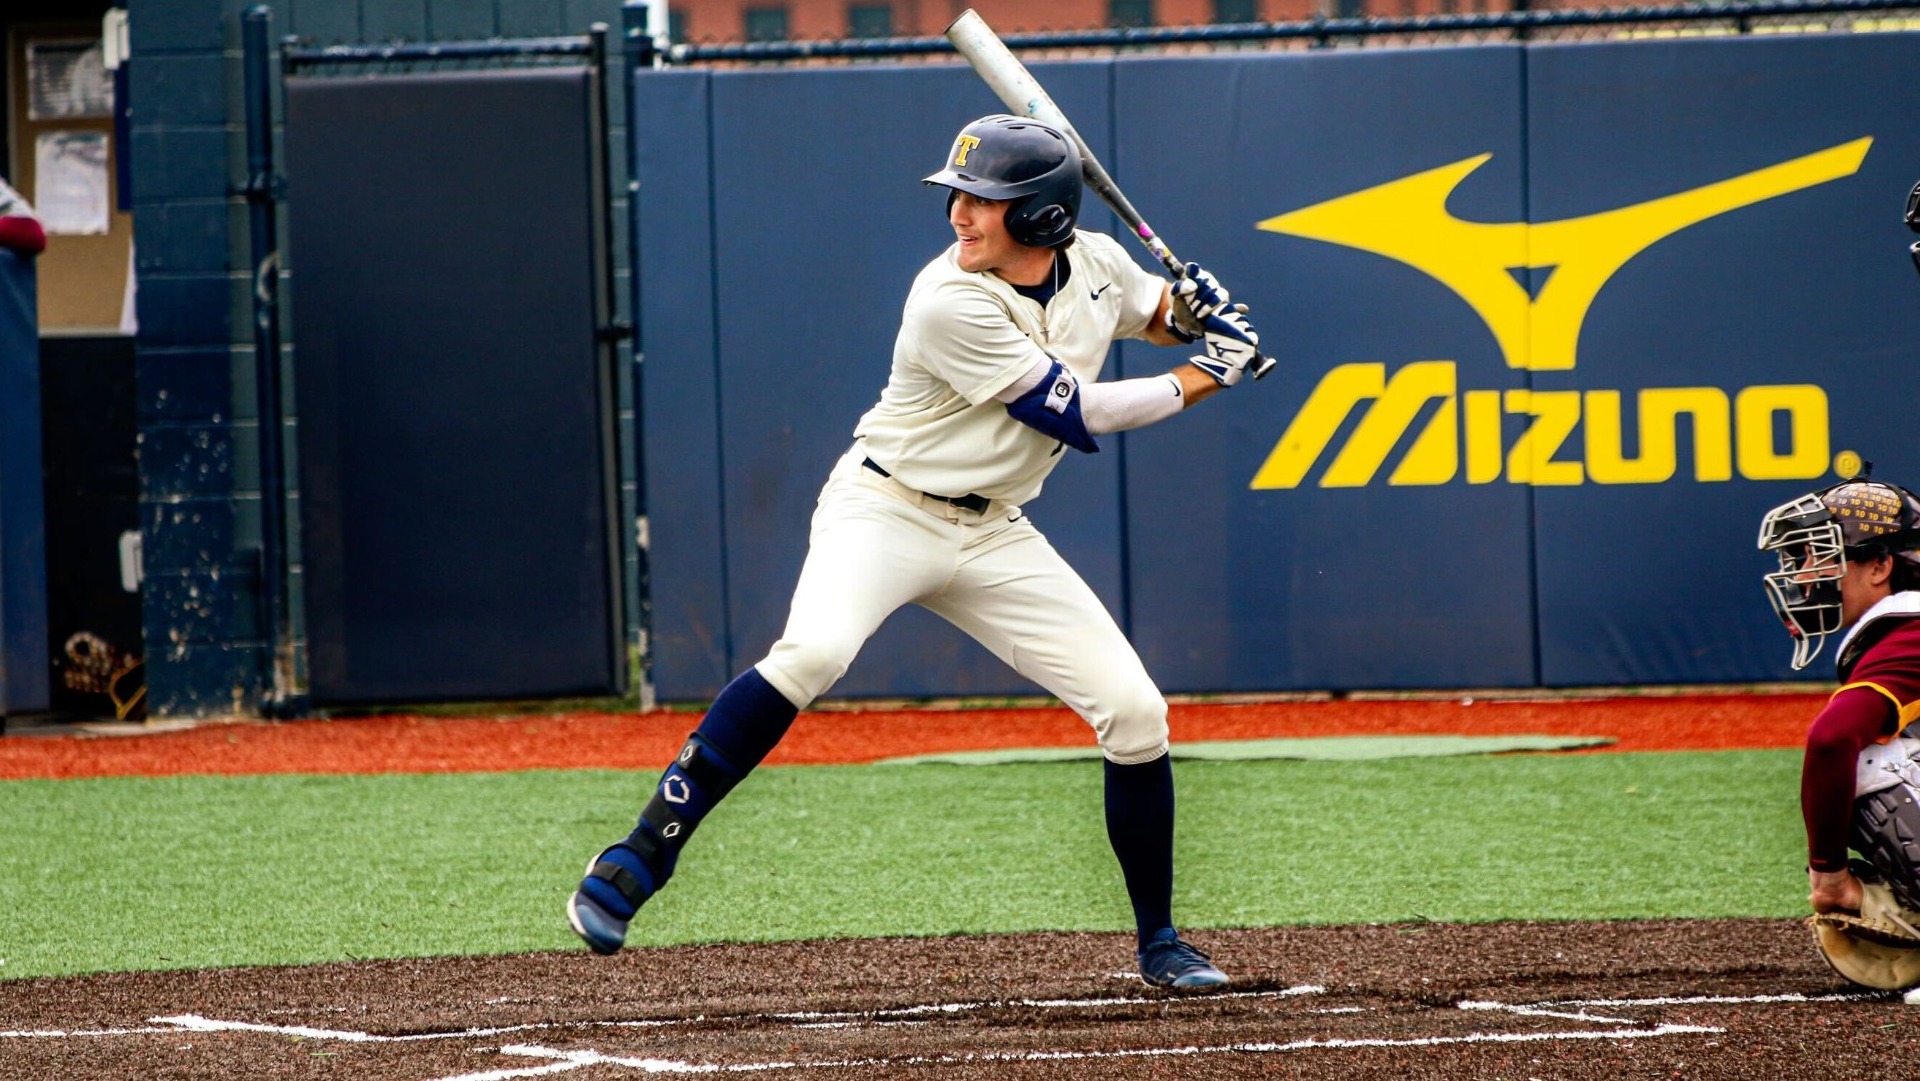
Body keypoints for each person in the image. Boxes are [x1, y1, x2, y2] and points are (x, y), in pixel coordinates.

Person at [567, 114, 1265, 990]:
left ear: (1044, 221)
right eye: (959, 197)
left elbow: (1151, 315)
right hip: (886, 509)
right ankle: (639, 856)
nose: (960, 215)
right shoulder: (947, 298)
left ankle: (1161, 941)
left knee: (1135, 712)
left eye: (983, 201)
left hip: (995, 528)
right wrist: (1210, 372)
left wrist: (1191, 312)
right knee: (811, 653)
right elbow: (1071, 412)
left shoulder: (1095, 262)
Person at [1757, 477, 1920, 920]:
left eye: (1822, 556)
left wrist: (1828, 878)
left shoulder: (1910, 633)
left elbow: (1832, 738)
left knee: (1872, 763)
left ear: (1880, 566)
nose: (1807, 574)